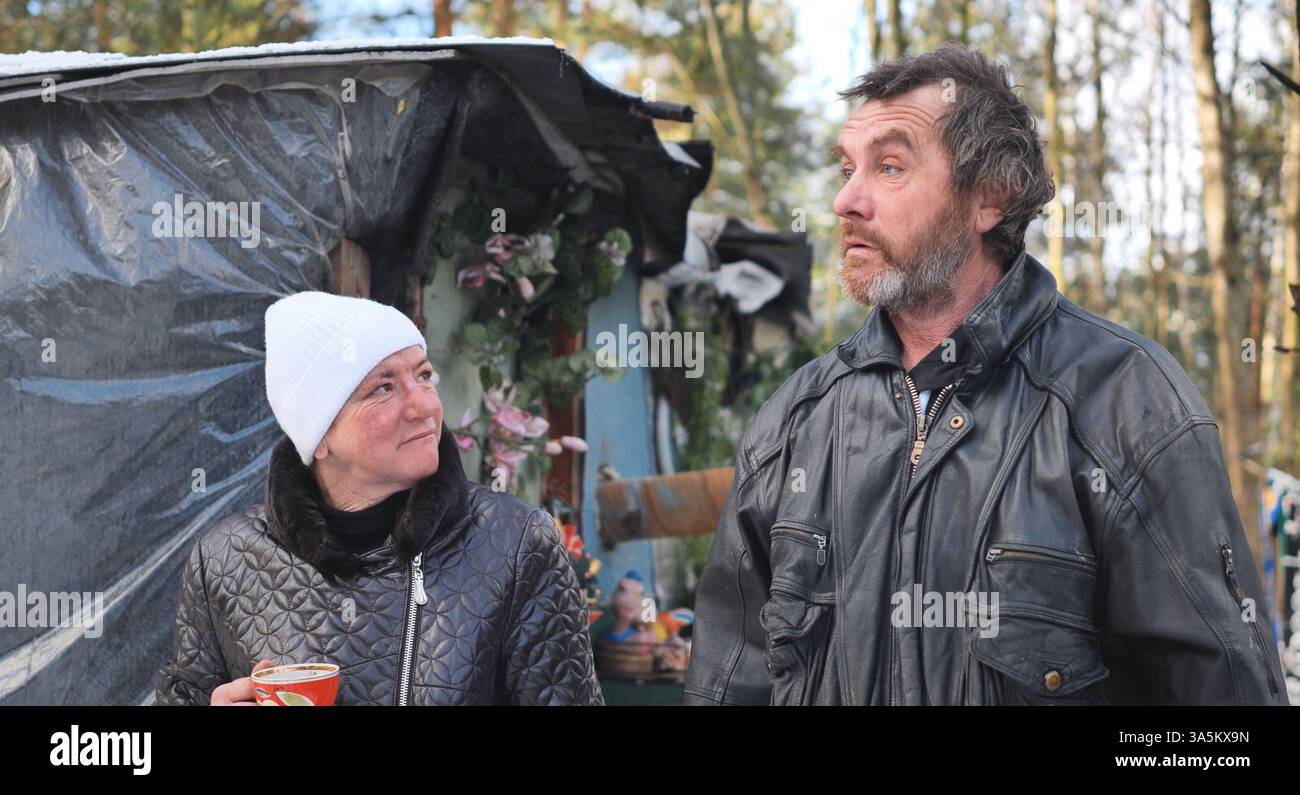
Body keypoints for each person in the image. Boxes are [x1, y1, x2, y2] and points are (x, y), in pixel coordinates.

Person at [684, 44, 1289, 705]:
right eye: (846, 168)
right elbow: (727, 681)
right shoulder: (795, 421)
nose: (844, 200)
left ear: (989, 198)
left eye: (888, 167)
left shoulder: (1125, 403)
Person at [156, 291, 603, 705]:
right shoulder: (223, 560)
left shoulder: (515, 543)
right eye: (383, 388)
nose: (424, 406)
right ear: (320, 434)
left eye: (424, 375)